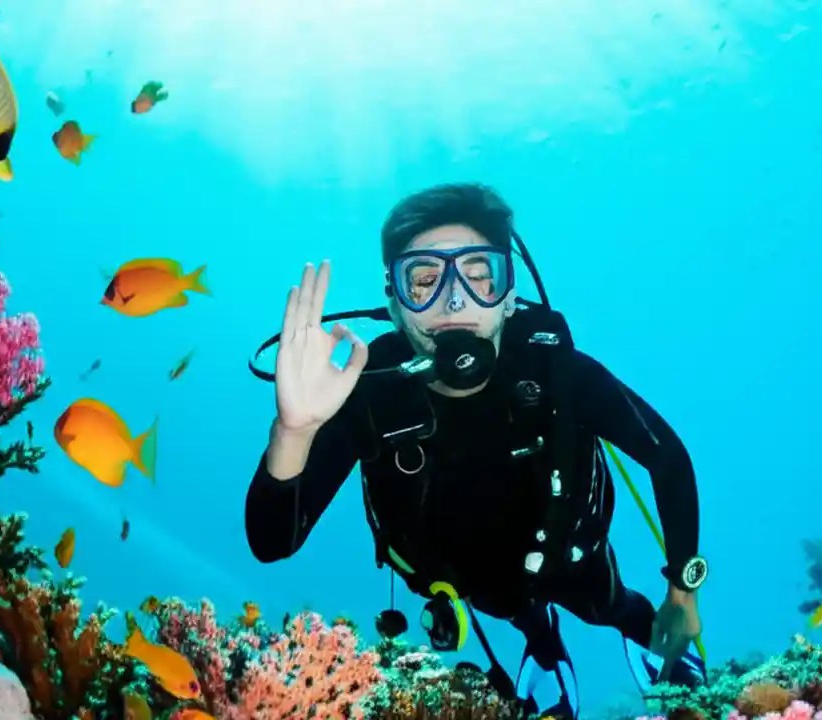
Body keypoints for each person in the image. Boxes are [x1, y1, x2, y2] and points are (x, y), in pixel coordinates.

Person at [244, 183, 708, 719]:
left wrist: (682, 593)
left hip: (569, 557)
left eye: (479, 274)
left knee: (608, 606)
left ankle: (639, 627)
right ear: (394, 303)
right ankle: (543, 644)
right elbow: (270, 542)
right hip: (463, 577)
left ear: (509, 295)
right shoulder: (368, 393)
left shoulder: (558, 372)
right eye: (424, 280)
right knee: (516, 610)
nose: (455, 300)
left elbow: (668, 457)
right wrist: (294, 430)